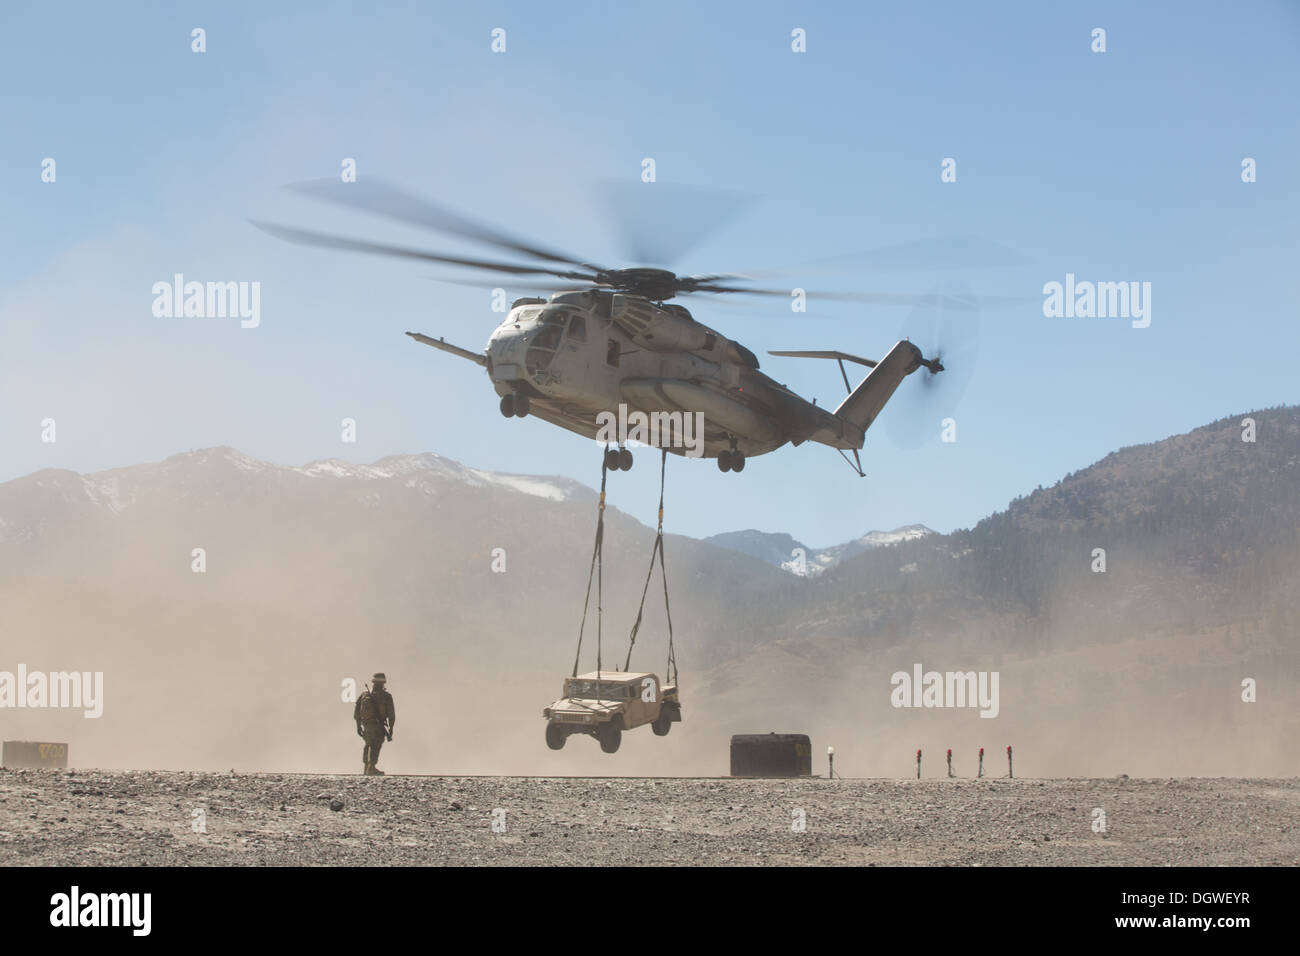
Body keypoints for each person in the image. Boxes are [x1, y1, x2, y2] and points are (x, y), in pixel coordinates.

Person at [353, 672, 396, 775]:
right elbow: (391, 714)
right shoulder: (386, 696)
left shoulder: (364, 695)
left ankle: (367, 767)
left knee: (368, 745)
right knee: (376, 745)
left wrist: (358, 726)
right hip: (378, 726)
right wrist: (391, 728)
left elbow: (357, 713)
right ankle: (371, 767)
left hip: (367, 725)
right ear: (383, 683)